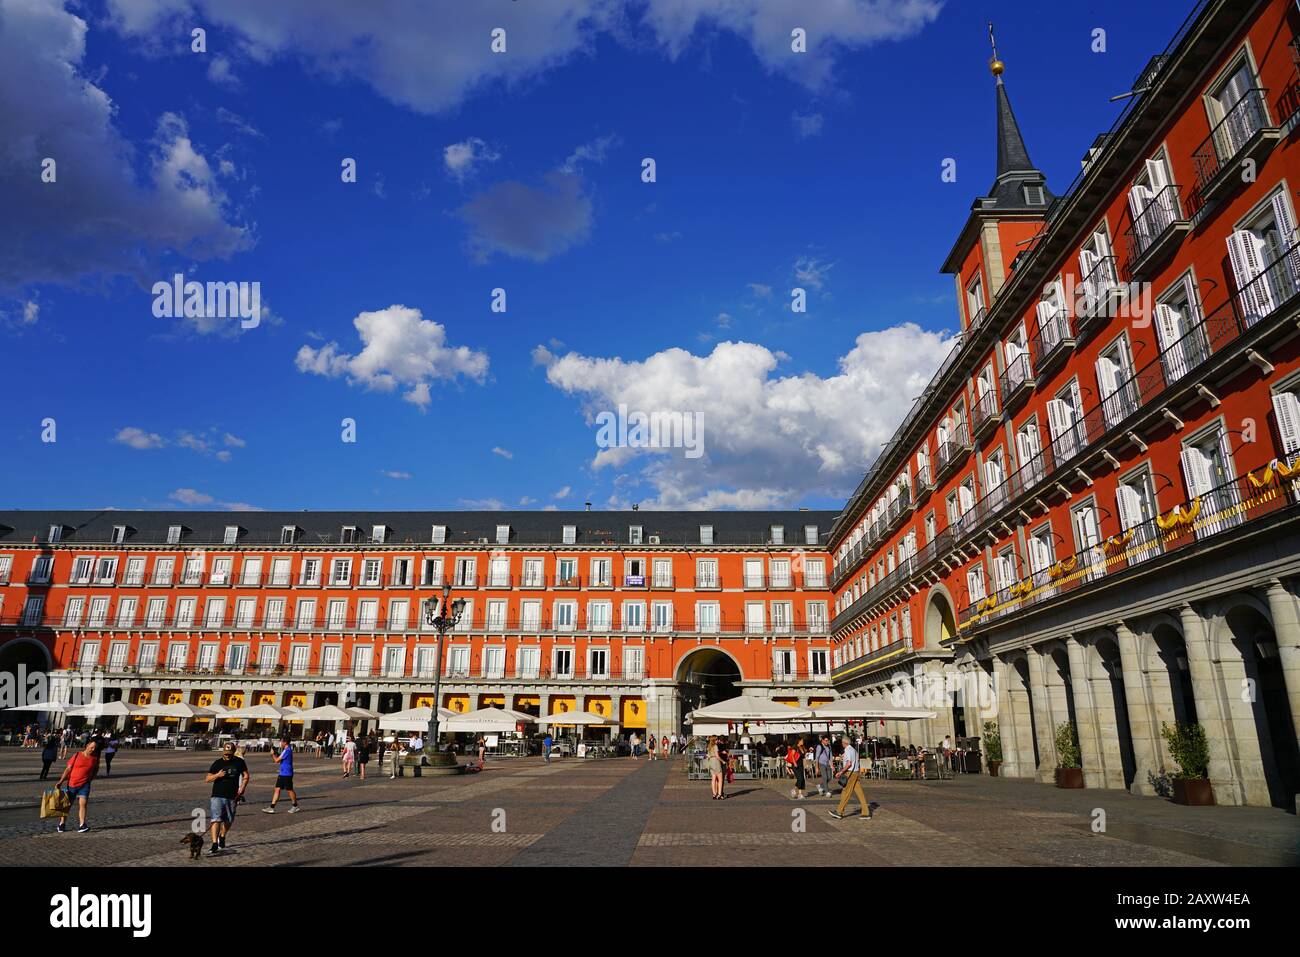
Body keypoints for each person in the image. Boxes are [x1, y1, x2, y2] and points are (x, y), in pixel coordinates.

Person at [204, 740, 250, 853]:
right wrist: (217, 775)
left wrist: (243, 787)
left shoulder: (239, 762)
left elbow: (246, 775)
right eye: (225, 753)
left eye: (229, 753)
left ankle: (223, 835)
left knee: (229, 820)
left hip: (232, 795)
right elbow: (207, 779)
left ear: (234, 752)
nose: (227, 755)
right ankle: (214, 843)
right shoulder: (217, 763)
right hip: (217, 795)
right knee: (216, 818)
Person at [53, 738, 100, 833]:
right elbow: (68, 769)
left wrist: (91, 778)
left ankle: (82, 825)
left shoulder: (95, 758)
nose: (93, 749)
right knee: (67, 805)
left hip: (85, 785)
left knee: (83, 804)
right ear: (87, 746)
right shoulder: (77, 755)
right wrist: (60, 781)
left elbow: (96, 769)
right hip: (72, 784)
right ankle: (62, 824)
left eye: (95, 748)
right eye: (91, 747)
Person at [829, 734, 871, 821]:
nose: (841, 744)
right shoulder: (854, 750)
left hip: (850, 773)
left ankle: (839, 811)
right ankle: (866, 812)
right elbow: (856, 761)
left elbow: (849, 764)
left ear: (844, 742)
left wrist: (840, 772)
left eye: (842, 742)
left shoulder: (848, 750)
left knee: (846, 792)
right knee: (860, 793)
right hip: (855, 772)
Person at [262, 736, 300, 813]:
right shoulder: (285, 750)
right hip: (283, 772)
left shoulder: (287, 750)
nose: (280, 743)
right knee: (277, 789)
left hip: (286, 773)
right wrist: (276, 753)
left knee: (289, 790)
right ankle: (272, 807)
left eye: (281, 742)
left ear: (285, 742)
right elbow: (280, 758)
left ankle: (295, 806)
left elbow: (277, 760)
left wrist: (273, 754)